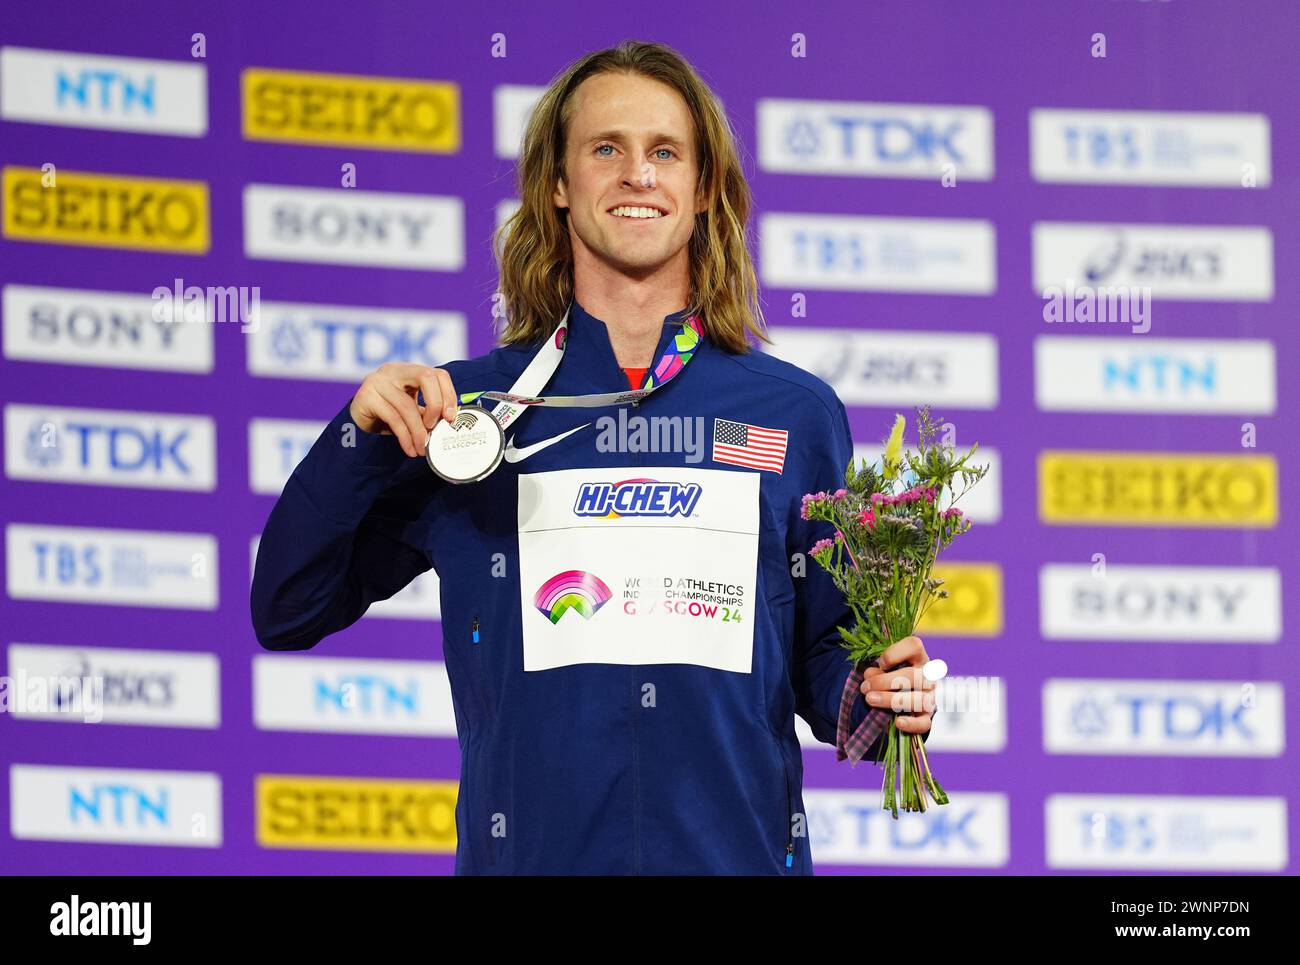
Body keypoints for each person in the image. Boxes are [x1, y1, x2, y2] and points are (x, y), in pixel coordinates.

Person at [251, 39, 936, 875]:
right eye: (606, 149)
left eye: (665, 152)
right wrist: (357, 439)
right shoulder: (469, 418)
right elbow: (286, 608)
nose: (638, 174)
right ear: (559, 187)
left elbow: (820, 662)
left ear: (703, 188)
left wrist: (875, 698)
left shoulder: (794, 414)